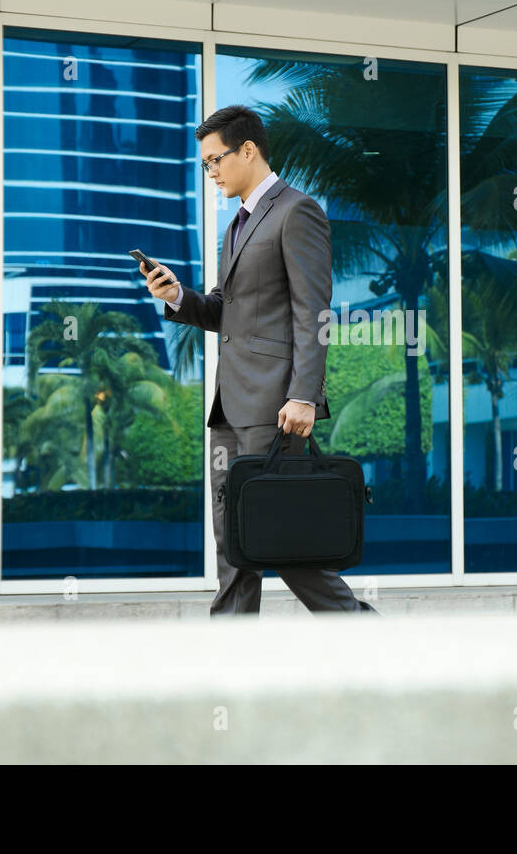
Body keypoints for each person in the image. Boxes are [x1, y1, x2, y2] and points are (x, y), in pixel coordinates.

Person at [142, 105, 378, 616]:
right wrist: (179, 296)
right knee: (233, 540)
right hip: (230, 409)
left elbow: (313, 313)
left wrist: (303, 395)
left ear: (247, 150)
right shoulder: (239, 225)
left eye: (215, 161)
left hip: (275, 407)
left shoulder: (297, 211)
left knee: (284, 538)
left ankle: (365, 636)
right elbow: (229, 314)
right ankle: (232, 652)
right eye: (205, 165)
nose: (211, 173)